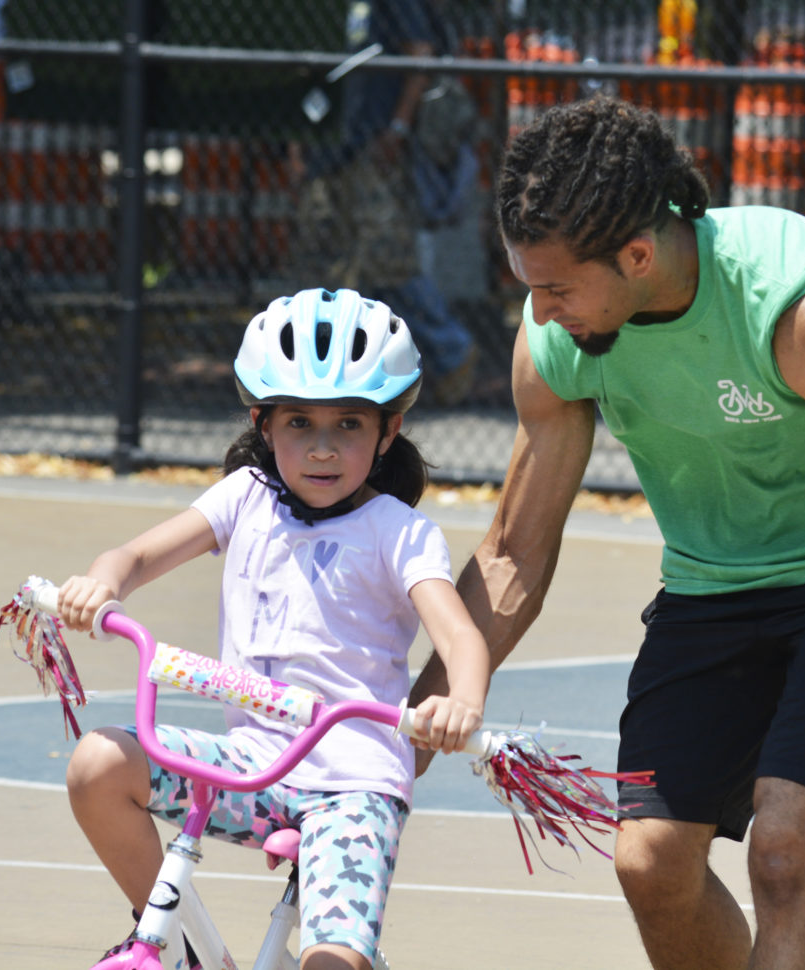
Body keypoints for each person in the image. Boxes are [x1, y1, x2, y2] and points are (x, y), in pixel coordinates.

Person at [410, 96, 805, 969]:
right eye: (531, 287)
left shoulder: (802, 309)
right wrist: (409, 724)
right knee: (650, 862)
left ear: (637, 254)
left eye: (556, 287)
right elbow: (515, 552)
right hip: (713, 579)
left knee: (785, 848)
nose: (542, 312)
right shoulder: (557, 338)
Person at [58, 287, 491, 970]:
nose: (322, 449)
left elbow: (459, 634)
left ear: (389, 429)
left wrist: (461, 699)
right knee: (98, 764)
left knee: (329, 961)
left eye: (348, 425)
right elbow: (139, 554)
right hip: (254, 764)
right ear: (263, 423)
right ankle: (176, 944)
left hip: (354, 784)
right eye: (298, 424)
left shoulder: (399, 532)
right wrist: (103, 582)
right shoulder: (246, 498)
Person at [290, 0, 478, 406]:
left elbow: (419, 57)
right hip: (326, 146)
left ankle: (452, 353)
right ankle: (334, 373)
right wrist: (297, 141)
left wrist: (397, 126)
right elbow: (303, 68)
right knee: (326, 263)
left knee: (388, 259)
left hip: (374, 145)